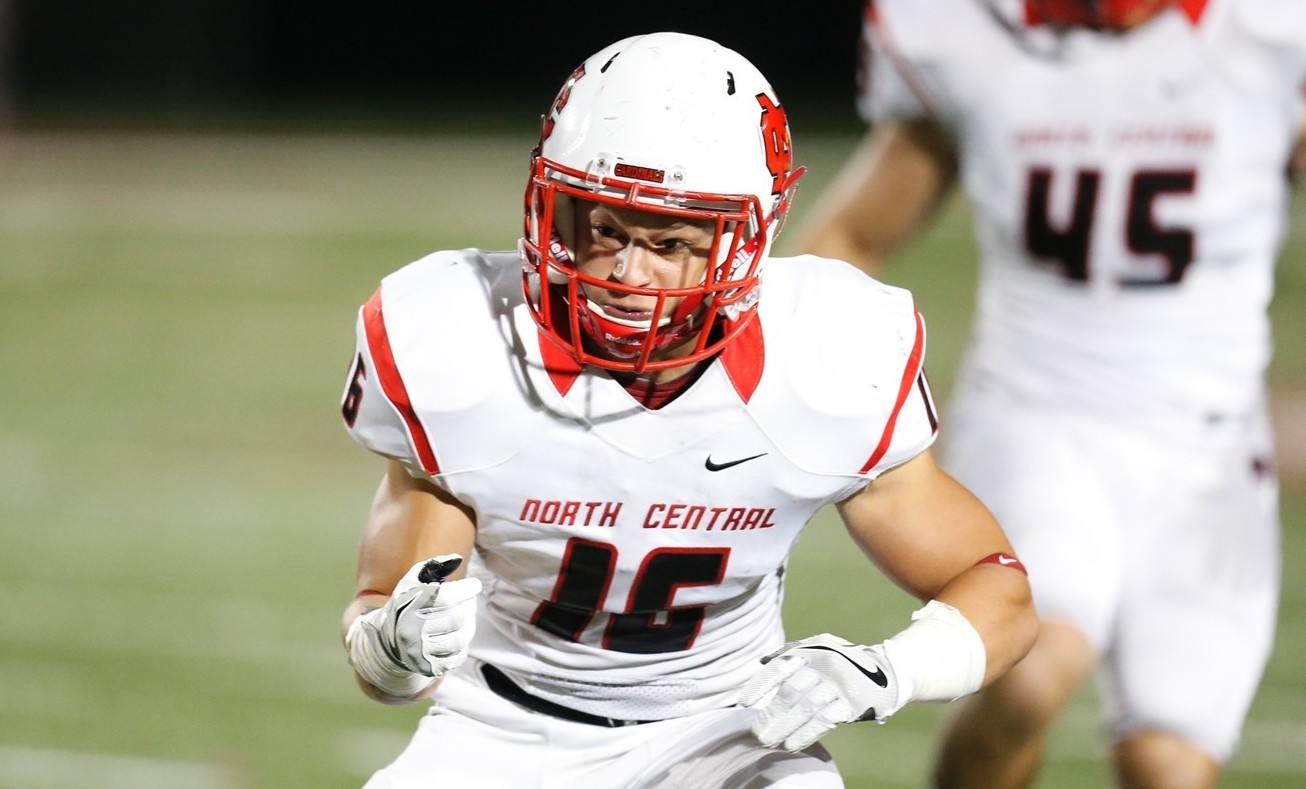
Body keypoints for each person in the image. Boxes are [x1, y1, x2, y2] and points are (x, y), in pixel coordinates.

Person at [335, 31, 1036, 789]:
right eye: (601, 227)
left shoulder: (824, 357)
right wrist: (391, 648)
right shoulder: (466, 344)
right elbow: (387, 619)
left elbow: (997, 587)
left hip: (730, 729)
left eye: (669, 239)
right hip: (503, 727)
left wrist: (888, 670)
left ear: (746, 241)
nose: (626, 273)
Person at [796, 1, 1306, 786]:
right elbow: (852, 238)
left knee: (1169, 762)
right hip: (1036, 418)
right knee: (1032, 674)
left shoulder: (1266, 33)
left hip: (1209, 447)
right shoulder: (971, 34)